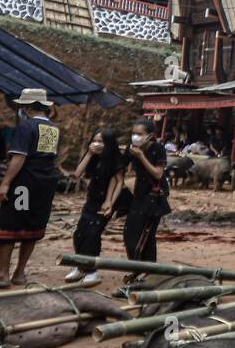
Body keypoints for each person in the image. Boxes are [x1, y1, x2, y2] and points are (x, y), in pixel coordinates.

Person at [0, 89, 61, 288]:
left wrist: (5, 183)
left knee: (10, 224)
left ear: (27, 108)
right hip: (44, 184)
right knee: (33, 225)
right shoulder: (53, 128)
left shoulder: (26, 127)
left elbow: (19, 157)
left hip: (25, 184)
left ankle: (3, 275)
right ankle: (19, 273)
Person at [64, 129, 125, 286]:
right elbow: (77, 174)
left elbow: (118, 181)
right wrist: (89, 154)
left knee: (93, 233)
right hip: (92, 199)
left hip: (107, 200)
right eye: (95, 140)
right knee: (79, 233)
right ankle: (80, 265)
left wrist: (110, 202)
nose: (97, 144)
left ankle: (92, 271)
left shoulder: (115, 158)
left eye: (101, 141)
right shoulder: (93, 157)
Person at [123, 117, 171, 267]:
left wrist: (141, 156)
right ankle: (136, 266)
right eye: (133, 133)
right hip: (138, 194)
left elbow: (158, 174)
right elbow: (121, 168)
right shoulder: (131, 149)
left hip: (154, 196)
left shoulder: (158, 149)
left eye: (139, 133)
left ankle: (147, 269)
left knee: (147, 234)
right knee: (129, 232)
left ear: (150, 136)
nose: (135, 136)